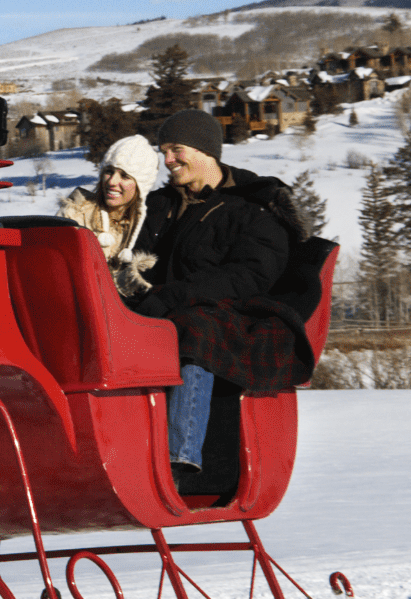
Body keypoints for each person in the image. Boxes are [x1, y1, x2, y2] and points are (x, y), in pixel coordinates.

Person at [124, 108, 316, 493]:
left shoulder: (255, 208)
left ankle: (180, 456)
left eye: (176, 149)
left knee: (196, 329)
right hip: (161, 307)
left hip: (235, 316)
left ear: (206, 150)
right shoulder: (159, 206)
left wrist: (172, 296)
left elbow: (251, 275)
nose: (168, 160)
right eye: (163, 151)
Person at [59, 133, 162, 296]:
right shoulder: (75, 215)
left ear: (141, 185)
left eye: (125, 176)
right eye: (109, 171)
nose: (112, 181)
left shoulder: (149, 225)